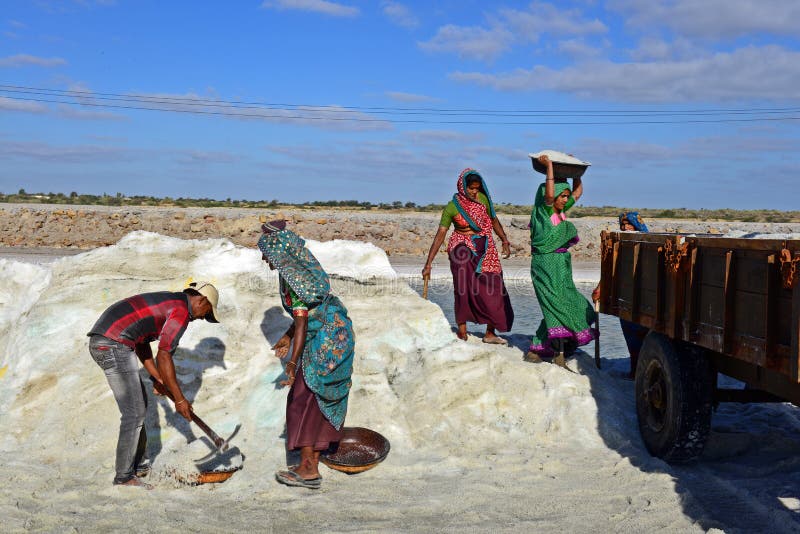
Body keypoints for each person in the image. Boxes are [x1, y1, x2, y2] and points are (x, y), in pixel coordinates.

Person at [87, 281, 220, 489]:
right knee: (134, 412)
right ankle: (124, 477)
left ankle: (137, 466)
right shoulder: (181, 311)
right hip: (113, 343)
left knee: (139, 407)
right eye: (207, 312)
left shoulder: (171, 302)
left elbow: (141, 343)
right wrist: (180, 399)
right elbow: (164, 355)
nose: (203, 317)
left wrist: (158, 378)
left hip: (110, 341)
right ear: (201, 300)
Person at [258, 220, 355, 490]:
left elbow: (303, 323)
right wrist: (288, 336)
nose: (264, 257)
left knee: (303, 399)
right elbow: (303, 317)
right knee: (315, 398)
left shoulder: (296, 279)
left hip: (326, 342)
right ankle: (310, 460)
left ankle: (308, 469)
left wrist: (291, 363)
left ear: (278, 252)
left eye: (266, 252)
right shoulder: (294, 271)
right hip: (334, 334)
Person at [422, 168, 514, 344]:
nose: (474, 192)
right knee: (462, 288)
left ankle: (490, 333)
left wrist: (504, 240)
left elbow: (493, 220)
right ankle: (462, 332)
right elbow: (441, 233)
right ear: (463, 187)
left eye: (477, 188)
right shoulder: (453, 206)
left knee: (494, 286)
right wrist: (428, 263)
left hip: (484, 245)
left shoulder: (483, 200)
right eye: (471, 188)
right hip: (461, 247)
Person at [527, 154, 596, 365]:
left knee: (573, 303)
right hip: (545, 266)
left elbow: (579, 191)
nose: (566, 199)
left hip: (561, 266)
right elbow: (549, 193)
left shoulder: (561, 210)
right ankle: (558, 355)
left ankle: (539, 346)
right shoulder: (545, 210)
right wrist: (549, 166)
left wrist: (576, 171)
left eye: (566, 197)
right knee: (554, 305)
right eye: (562, 196)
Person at [592, 212, 650, 377]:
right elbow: (610, 270)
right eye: (623, 225)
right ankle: (635, 371)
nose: (625, 228)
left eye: (629, 224)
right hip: (626, 299)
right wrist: (600, 288)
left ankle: (641, 371)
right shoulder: (621, 246)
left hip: (645, 300)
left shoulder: (649, 245)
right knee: (632, 337)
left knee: (644, 337)